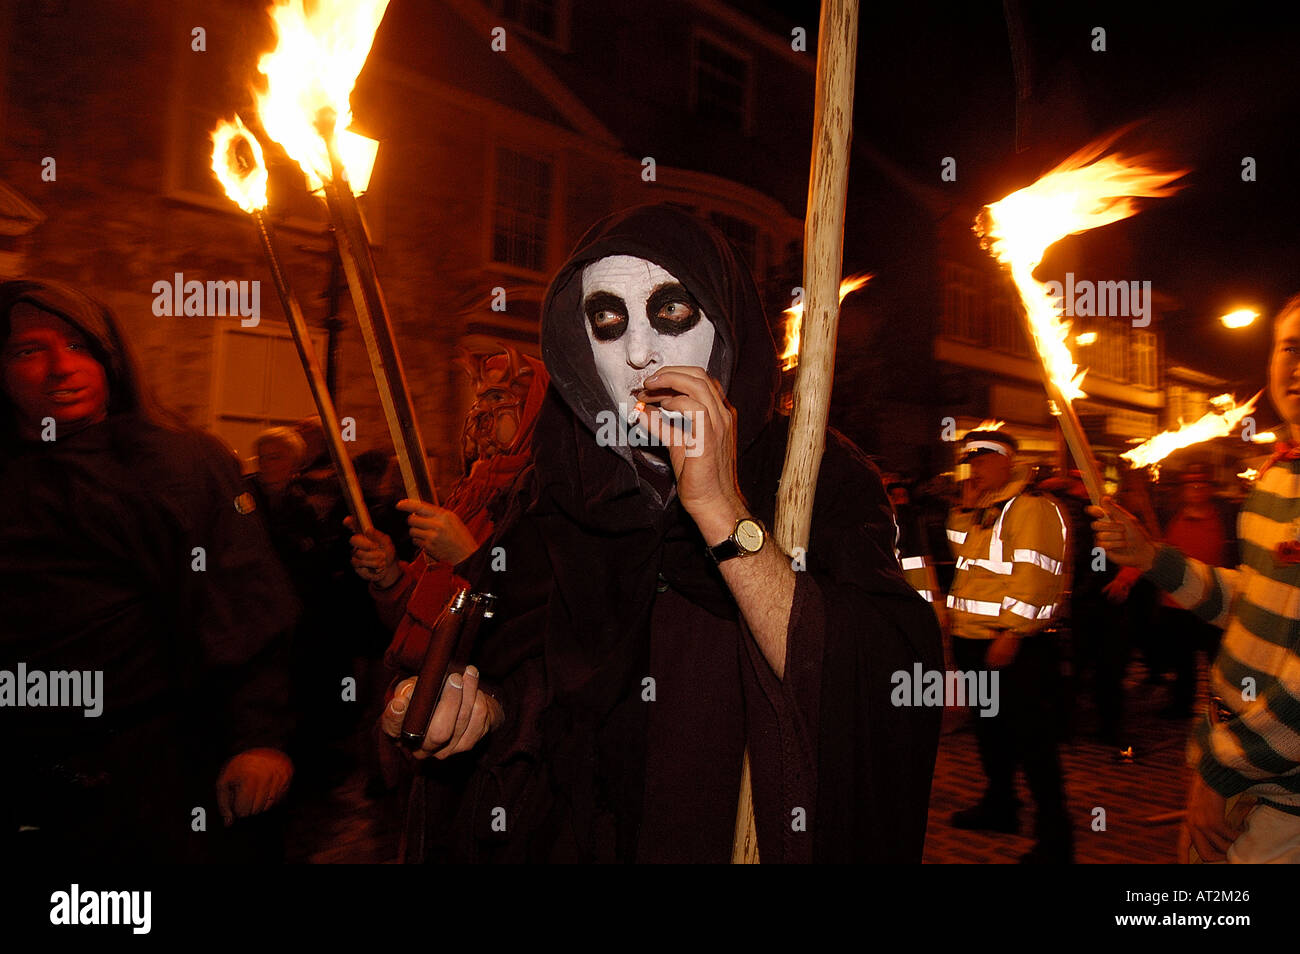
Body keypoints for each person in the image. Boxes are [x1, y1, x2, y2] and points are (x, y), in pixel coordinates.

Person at [378, 204, 943, 862]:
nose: (641, 352)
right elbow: (537, 678)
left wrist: (726, 515)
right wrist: (478, 711)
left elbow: (884, 680)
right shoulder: (562, 483)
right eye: (607, 321)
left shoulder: (813, 475)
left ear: (724, 329)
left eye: (671, 312)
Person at [0, 278, 297, 862]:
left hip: (143, 771)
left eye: (80, 346)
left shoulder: (177, 462)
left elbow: (241, 601)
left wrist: (258, 737)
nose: (62, 367)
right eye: (30, 351)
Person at [1092, 292, 1300, 863]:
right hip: (1235, 771)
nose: (1299, 366)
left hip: (1282, 800)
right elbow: (1252, 602)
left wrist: (1220, 770)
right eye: (1290, 347)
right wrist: (1152, 555)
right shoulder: (1279, 480)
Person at [347, 344, 549, 861]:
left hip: (478, 731)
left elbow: (537, 622)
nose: (481, 413)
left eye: (500, 398)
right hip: (415, 719)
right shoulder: (467, 492)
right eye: (480, 398)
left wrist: (475, 556)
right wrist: (390, 574)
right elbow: (414, 615)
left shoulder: (543, 498)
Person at [945, 429, 1073, 863]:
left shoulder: (1031, 506)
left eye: (982, 459)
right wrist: (965, 507)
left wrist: (1013, 633)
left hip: (1011, 647)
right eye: (971, 460)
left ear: (1007, 461)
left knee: (1034, 743)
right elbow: (965, 555)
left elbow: (1036, 574)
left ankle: (1056, 838)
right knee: (991, 734)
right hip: (975, 641)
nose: (974, 467)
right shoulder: (987, 507)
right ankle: (1002, 806)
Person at [1153, 462, 1231, 719]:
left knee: (1217, 662)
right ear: (1183, 490)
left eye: (1201, 484)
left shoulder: (1225, 520)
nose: (1196, 489)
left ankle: (1221, 705)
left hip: (1212, 603)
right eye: (1190, 485)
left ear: (1209, 489)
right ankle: (1181, 704)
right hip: (1177, 604)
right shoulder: (1168, 517)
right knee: (1182, 660)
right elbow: (1155, 552)